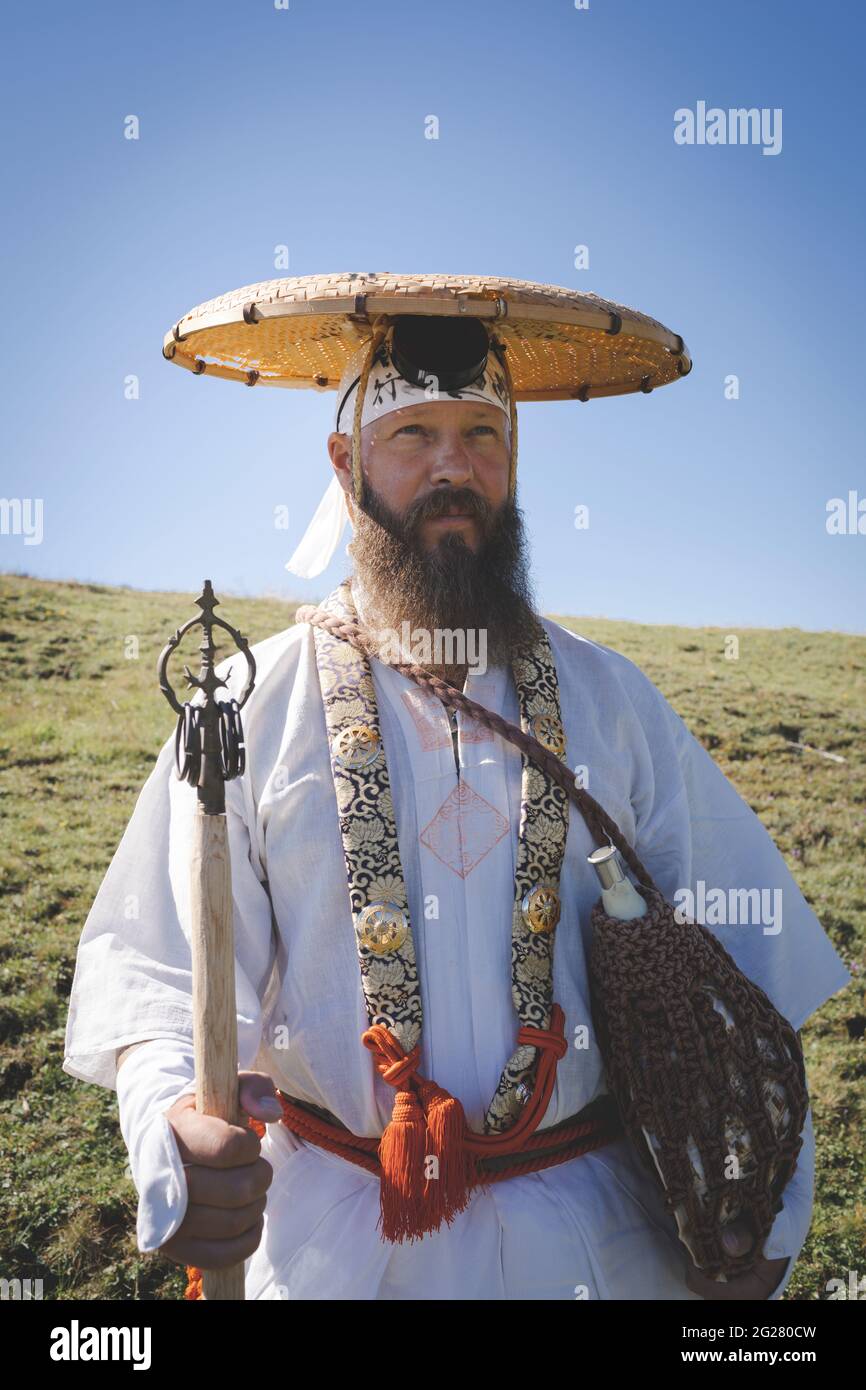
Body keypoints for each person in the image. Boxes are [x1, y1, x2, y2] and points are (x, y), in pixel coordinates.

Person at [63, 304, 851, 1301]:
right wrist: (169, 1119)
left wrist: (757, 1217)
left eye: (480, 435)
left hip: (599, 1247)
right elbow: (160, 973)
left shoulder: (613, 702)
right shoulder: (248, 709)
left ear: (511, 459)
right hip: (331, 1251)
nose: (452, 467)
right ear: (345, 459)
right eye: (412, 437)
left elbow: (742, 975)